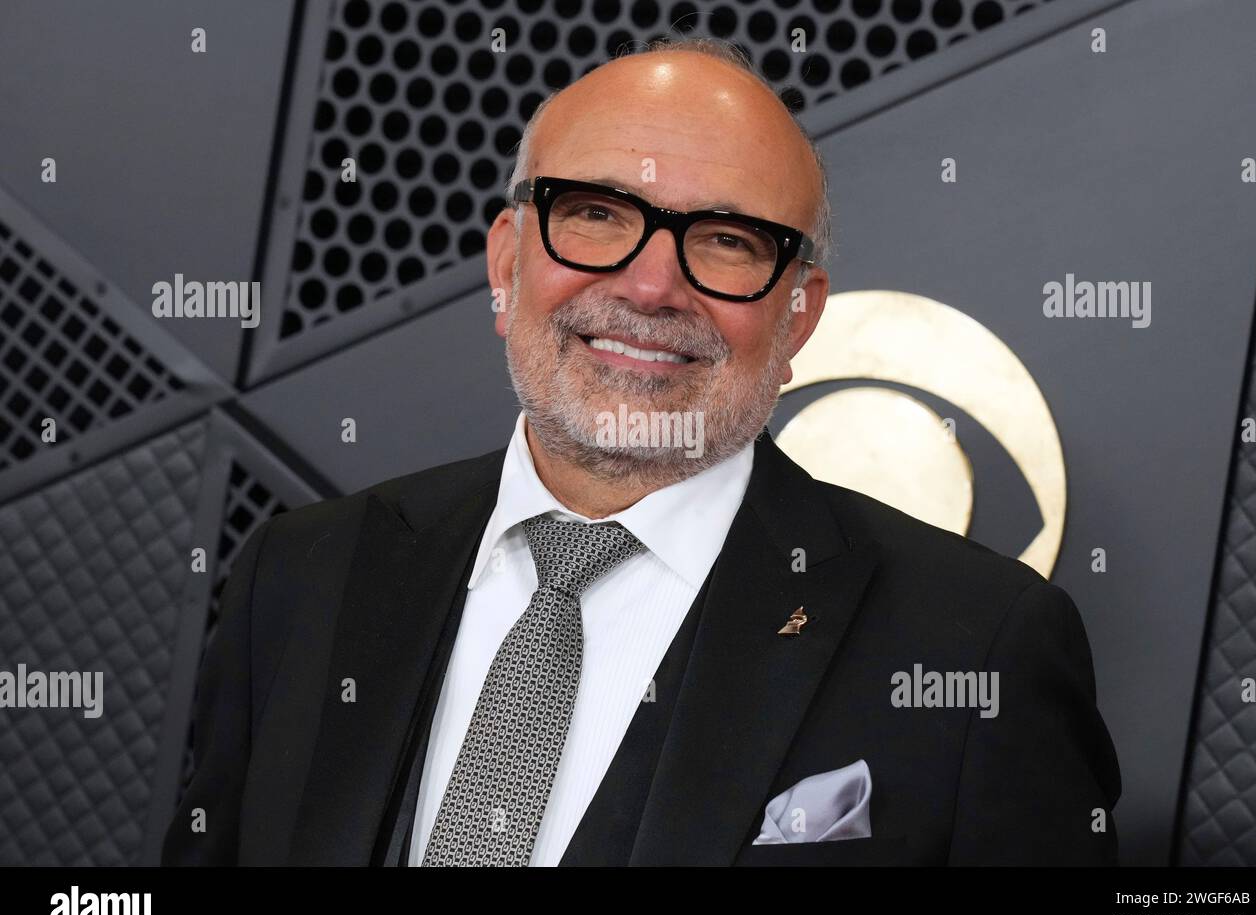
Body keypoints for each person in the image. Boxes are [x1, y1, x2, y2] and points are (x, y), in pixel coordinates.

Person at [162, 37, 1120, 867]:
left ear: (798, 317)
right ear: (507, 263)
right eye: (596, 214)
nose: (653, 284)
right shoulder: (300, 574)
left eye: (729, 240)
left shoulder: (981, 643)